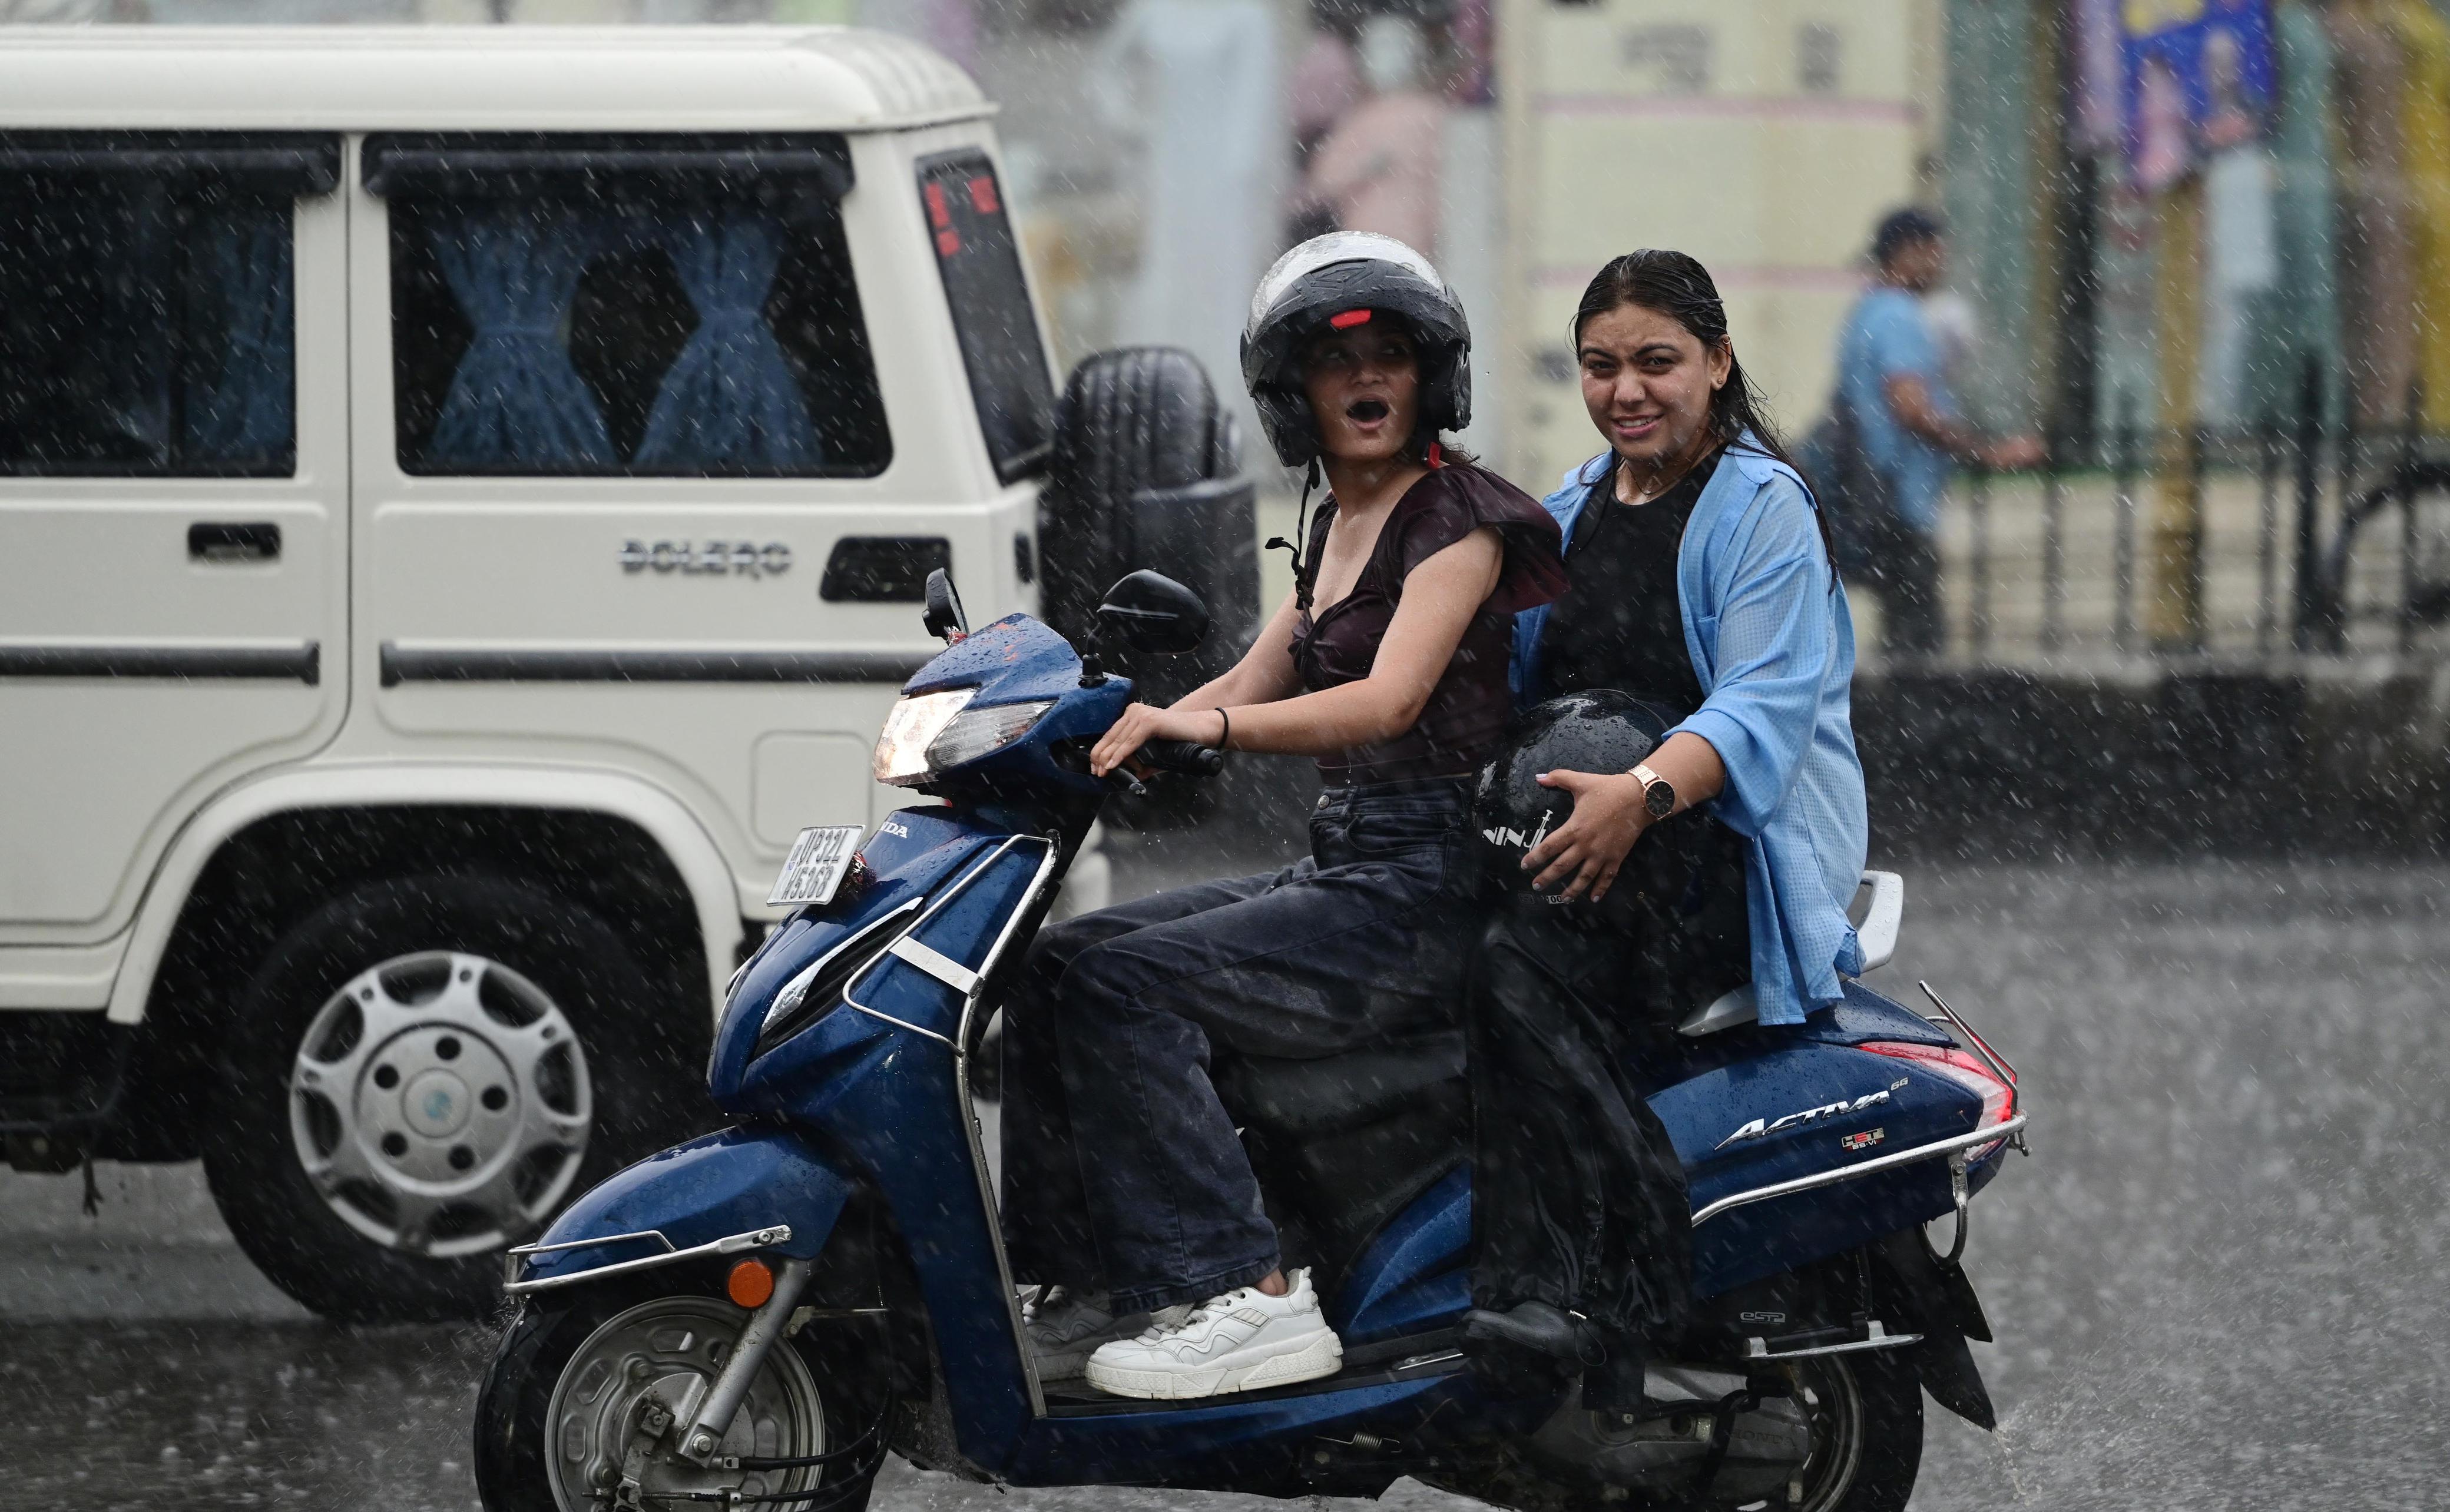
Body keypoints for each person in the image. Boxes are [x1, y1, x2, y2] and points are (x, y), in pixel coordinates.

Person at [997, 232, 1565, 1401]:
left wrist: (1195, 736)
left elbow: (1385, 695)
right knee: (1055, 968)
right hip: (1350, 867)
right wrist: (1084, 733)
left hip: (1423, 888)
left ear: (1433, 379)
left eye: (1393, 356)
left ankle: (1246, 1291)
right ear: (1290, 395)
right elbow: (1249, 681)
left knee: (1126, 989)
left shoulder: (1457, 519)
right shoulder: (1330, 522)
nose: (1365, 380)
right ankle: (1095, 1279)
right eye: (1332, 362)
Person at [1460, 251, 1869, 1410]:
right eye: (1600, 367)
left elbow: (1762, 704)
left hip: (1719, 843)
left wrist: (1638, 795)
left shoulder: (1760, 509)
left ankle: (1618, 1263)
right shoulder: (1583, 497)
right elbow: (1505, 658)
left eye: (1656, 363)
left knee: (1514, 973)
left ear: (1717, 362)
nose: (1627, 390)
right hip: (1589, 825)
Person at [1830, 209, 2042, 655]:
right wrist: (1986, 451)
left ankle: (1894, 716)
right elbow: (1911, 408)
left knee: (1903, 637)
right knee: (1920, 643)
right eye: (1934, 252)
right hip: (1900, 500)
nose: (1940, 265)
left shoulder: (1867, 311)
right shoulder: (1899, 317)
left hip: (1875, 494)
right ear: (1908, 252)